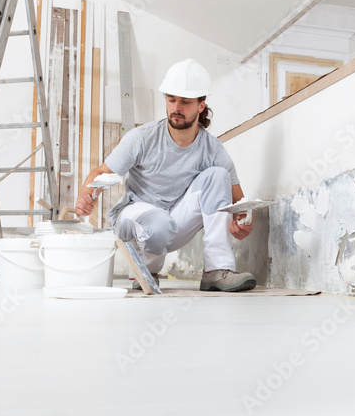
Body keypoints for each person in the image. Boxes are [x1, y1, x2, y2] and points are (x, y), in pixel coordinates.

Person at [74, 58, 257, 292]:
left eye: (185, 102)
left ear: (201, 106)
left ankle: (216, 270)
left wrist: (243, 223)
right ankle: (146, 270)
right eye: (171, 99)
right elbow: (100, 172)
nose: (176, 107)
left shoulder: (213, 149)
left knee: (218, 175)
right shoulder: (142, 138)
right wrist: (85, 193)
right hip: (134, 218)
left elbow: (240, 204)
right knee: (158, 223)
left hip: (175, 222)